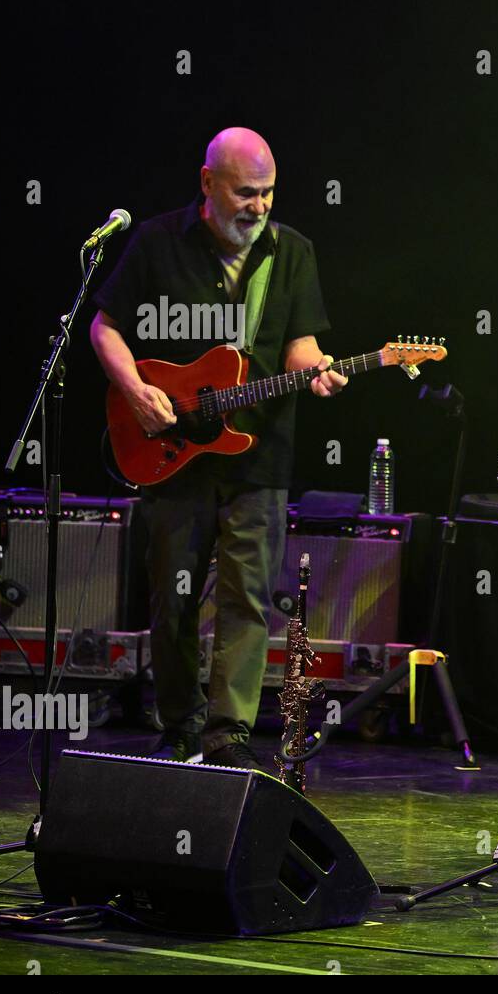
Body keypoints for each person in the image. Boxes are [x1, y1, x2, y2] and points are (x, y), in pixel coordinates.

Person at [89, 127, 347, 770]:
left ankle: (227, 736)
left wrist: (316, 368)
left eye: (268, 194)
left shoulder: (293, 252)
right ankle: (178, 725)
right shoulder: (154, 242)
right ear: (208, 184)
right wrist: (137, 389)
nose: (258, 207)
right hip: (172, 452)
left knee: (247, 598)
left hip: (260, 457)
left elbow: (301, 345)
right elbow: (104, 326)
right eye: (245, 193)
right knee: (171, 598)